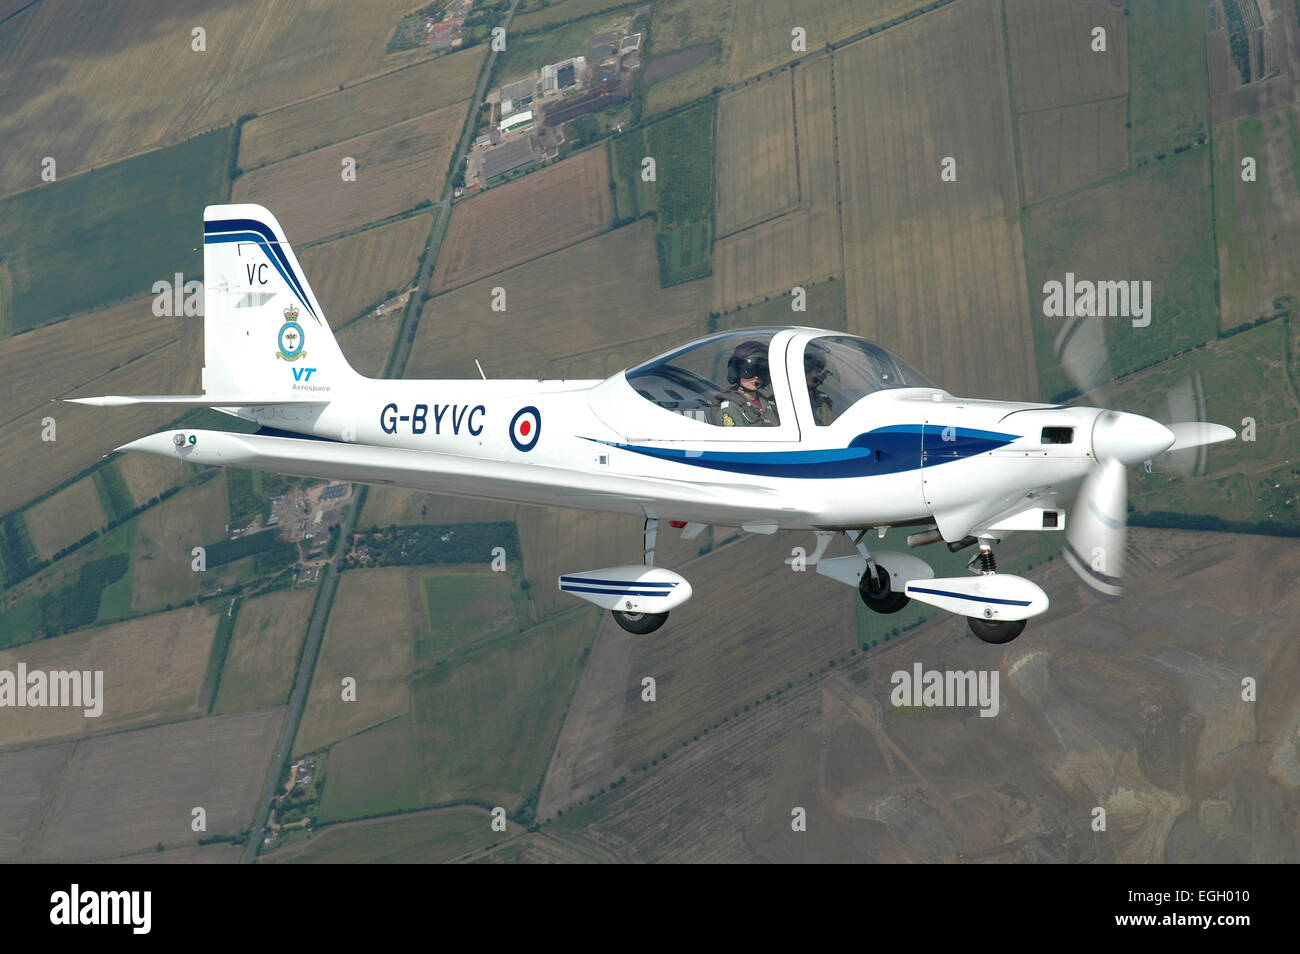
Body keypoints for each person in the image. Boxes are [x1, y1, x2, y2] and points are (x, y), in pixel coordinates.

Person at [714, 340, 780, 426]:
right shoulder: (731, 408)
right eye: (749, 371)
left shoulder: (769, 404)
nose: (756, 377)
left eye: (761, 371)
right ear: (736, 372)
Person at [805, 351, 834, 425]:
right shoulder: (781, 401)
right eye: (814, 371)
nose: (818, 376)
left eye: (820, 371)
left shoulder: (825, 400)